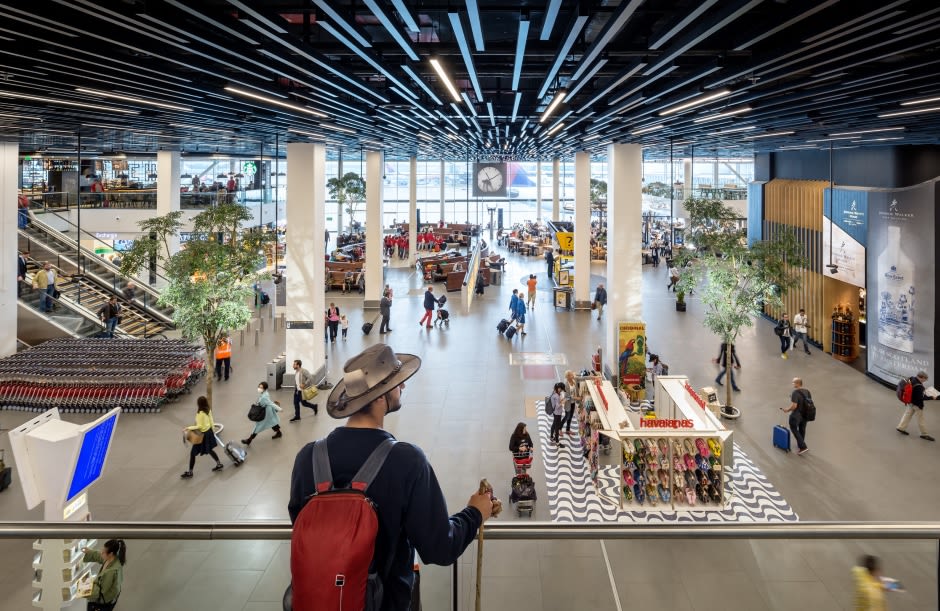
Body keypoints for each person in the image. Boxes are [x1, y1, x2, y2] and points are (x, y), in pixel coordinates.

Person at [288, 344, 495, 610]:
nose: (403, 388)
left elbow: (304, 525)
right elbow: (440, 548)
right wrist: (475, 513)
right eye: (397, 383)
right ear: (378, 396)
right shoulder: (407, 461)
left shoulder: (308, 458)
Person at [181, 396, 224, 477]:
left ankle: (190, 472)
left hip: (203, 435)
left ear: (199, 404)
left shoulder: (200, 413)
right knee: (210, 450)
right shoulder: (208, 410)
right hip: (209, 433)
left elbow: (199, 426)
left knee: (193, 453)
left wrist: (188, 428)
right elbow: (211, 421)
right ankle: (219, 464)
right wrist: (213, 430)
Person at [80, 539, 126, 610]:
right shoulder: (113, 558)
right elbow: (100, 556)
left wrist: (82, 590)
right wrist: (89, 552)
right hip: (111, 596)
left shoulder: (110, 572)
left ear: (110, 554)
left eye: (103, 552)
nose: (101, 553)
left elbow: (101, 591)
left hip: (105, 601)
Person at [896, 371, 935, 441]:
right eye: (925, 379)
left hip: (910, 402)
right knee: (920, 419)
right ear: (922, 378)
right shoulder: (919, 386)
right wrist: (932, 397)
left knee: (907, 415)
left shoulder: (912, 379)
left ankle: (901, 427)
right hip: (917, 404)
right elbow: (921, 398)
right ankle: (924, 434)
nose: (925, 381)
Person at [781, 377, 811, 455]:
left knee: (794, 428)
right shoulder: (807, 391)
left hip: (796, 415)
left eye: (793, 382)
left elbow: (794, 406)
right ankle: (800, 444)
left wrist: (787, 410)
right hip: (805, 415)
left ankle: (803, 447)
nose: (792, 384)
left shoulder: (795, 392)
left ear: (798, 384)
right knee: (802, 429)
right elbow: (808, 402)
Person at [562, 370, 581, 436]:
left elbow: (581, 378)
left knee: (570, 417)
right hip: (568, 403)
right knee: (567, 417)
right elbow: (567, 396)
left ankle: (567, 430)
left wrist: (591, 377)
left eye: (572, 374)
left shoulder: (573, 381)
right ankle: (559, 428)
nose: (572, 375)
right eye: (571, 375)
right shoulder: (566, 384)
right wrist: (576, 398)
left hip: (573, 403)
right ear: (567, 377)